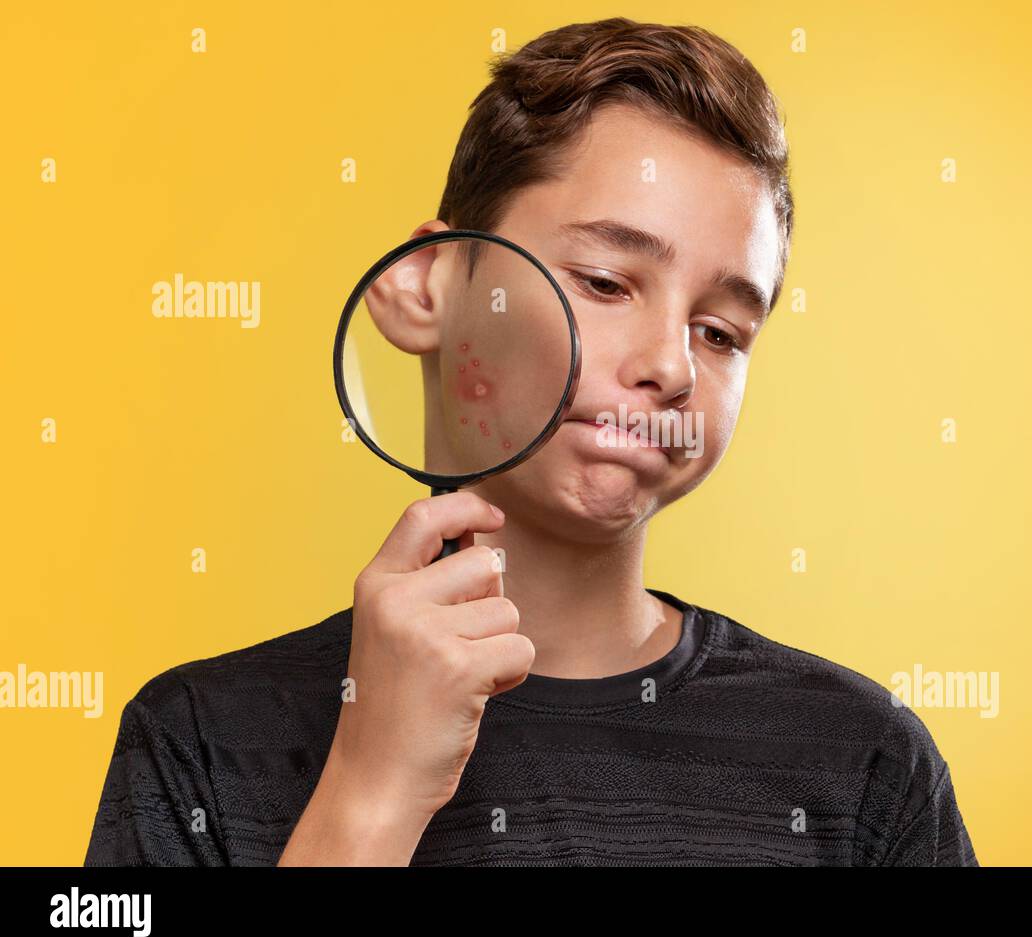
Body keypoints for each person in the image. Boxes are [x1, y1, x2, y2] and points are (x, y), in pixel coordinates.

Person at [84, 16, 978, 867]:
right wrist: (372, 790)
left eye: (720, 331)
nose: (671, 364)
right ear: (426, 287)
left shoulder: (864, 763)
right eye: (604, 280)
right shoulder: (195, 739)